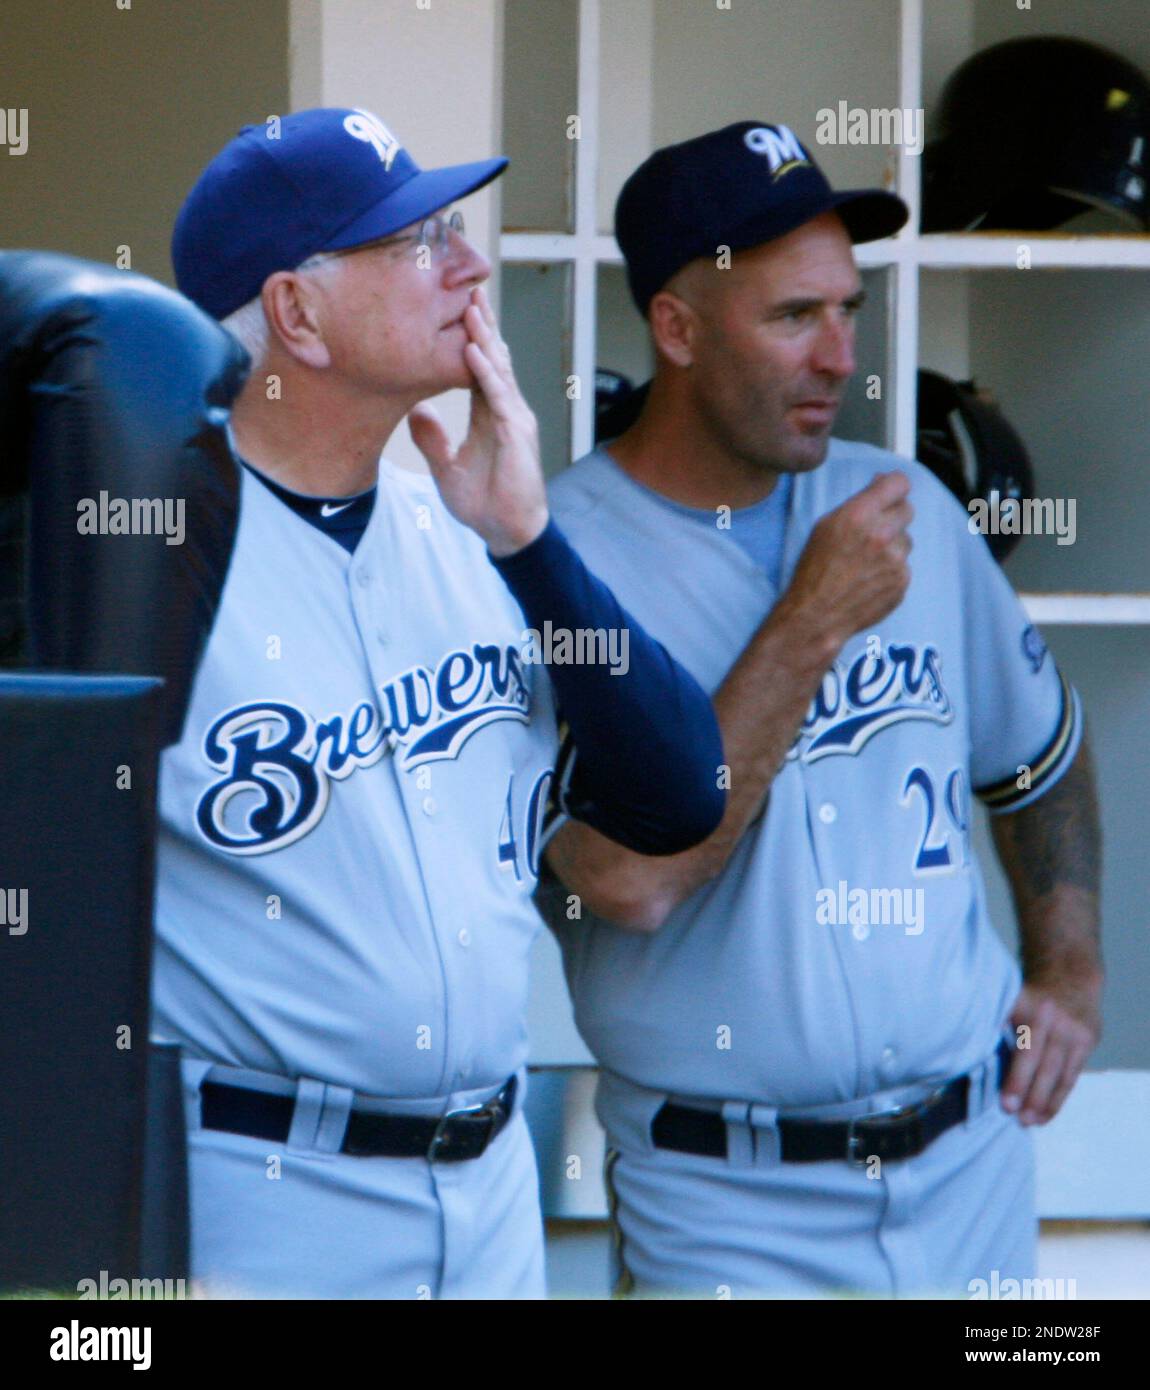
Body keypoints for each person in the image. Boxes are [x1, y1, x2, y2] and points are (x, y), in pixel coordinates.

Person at [160, 106, 725, 1300]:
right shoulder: (146, 563)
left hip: (491, 1196)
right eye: (415, 242)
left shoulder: (470, 534)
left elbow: (682, 797)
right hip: (261, 1201)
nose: (469, 266)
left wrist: (529, 538)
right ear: (294, 313)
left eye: (452, 227)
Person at [541, 121, 1103, 1298]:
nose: (839, 357)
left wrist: (1068, 970)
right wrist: (808, 621)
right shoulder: (554, 562)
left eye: (847, 310)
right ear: (678, 328)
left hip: (972, 1169)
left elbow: (1039, 751)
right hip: (727, 1206)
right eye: (794, 317)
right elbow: (625, 880)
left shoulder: (904, 510)